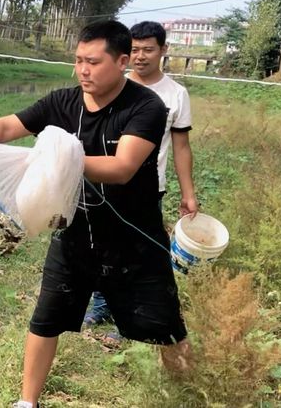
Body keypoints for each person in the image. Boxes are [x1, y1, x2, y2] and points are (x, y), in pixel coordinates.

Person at [0, 20, 191, 408]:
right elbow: (8, 126)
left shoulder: (147, 107)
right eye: (77, 61)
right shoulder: (62, 102)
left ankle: (191, 393)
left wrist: (59, 158)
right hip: (74, 232)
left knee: (166, 325)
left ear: (122, 62)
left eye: (93, 62)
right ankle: (27, 402)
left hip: (135, 239)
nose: (83, 70)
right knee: (46, 317)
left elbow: (123, 167)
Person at [83, 20, 200, 331]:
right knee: (99, 246)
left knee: (137, 252)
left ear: (163, 50)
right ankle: (101, 305)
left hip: (146, 189)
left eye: (149, 49)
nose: (141, 56)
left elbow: (182, 147)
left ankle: (129, 317)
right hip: (100, 183)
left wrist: (188, 193)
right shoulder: (110, 85)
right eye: (134, 50)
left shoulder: (175, 95)